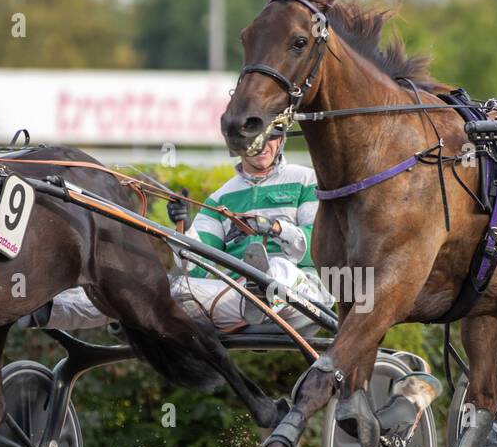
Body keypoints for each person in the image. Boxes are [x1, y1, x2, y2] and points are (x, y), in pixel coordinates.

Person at [32, 127, 331, 332]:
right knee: (158, 288)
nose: (264, 145)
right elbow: (197, 265)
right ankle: (47, 308)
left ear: (280, 140)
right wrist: (180, 229)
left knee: (278, 268)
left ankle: (263, 292)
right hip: (233, 297)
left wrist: (276, 228)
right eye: (254, 139)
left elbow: (318, 247)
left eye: (272, 137)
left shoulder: (306, 181)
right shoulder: (222, 197)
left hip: (301, 293)